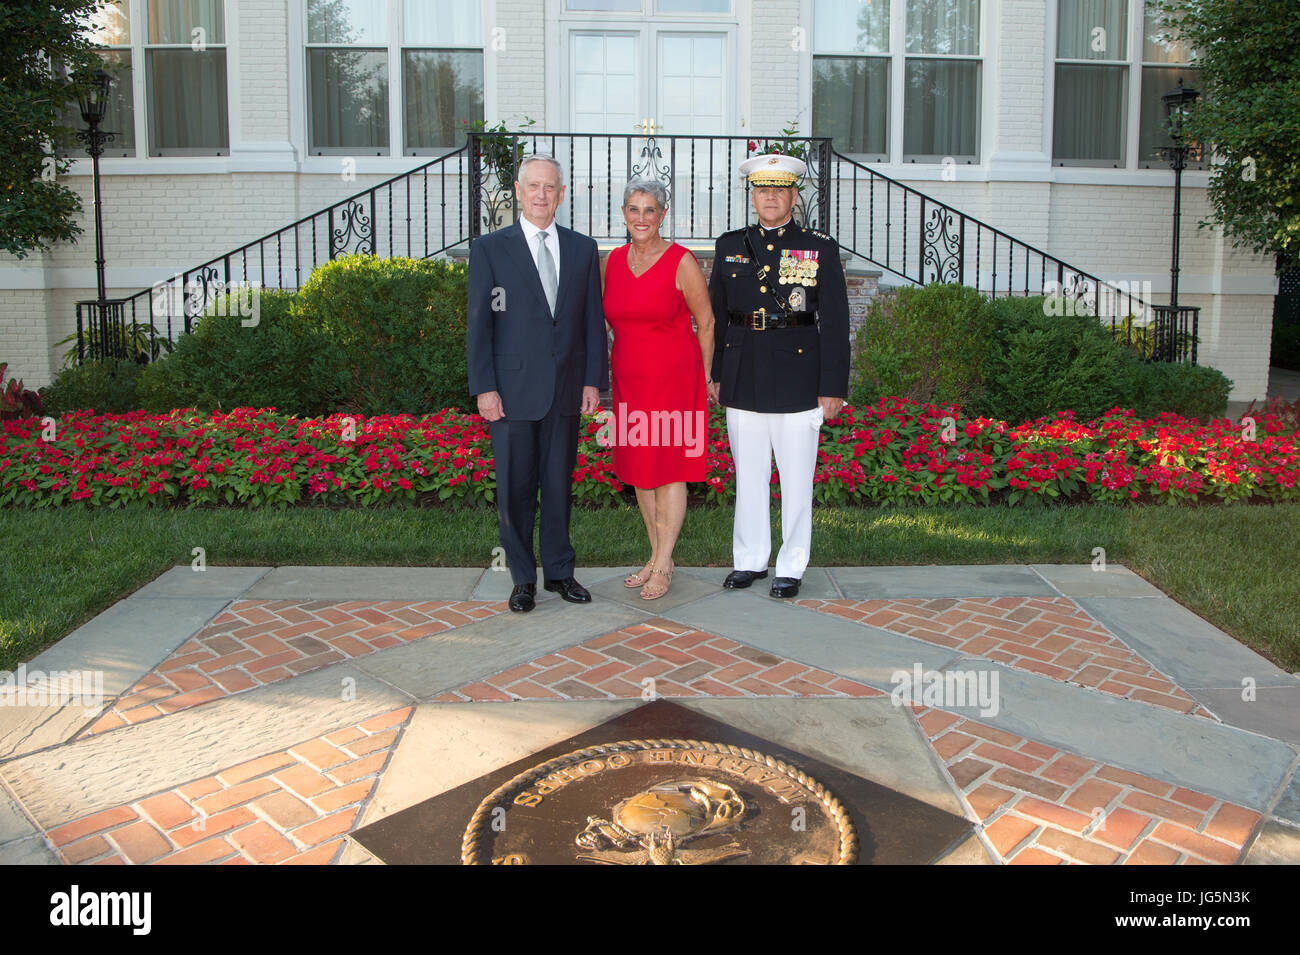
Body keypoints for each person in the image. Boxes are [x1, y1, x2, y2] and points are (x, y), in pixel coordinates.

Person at [466, 154, 608, 613]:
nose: (542, 194)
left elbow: (591, 322)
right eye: (534, 186)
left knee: (558, 485)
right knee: (515, 488)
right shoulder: (490, 249)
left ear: (561, 194)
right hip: (509, 393)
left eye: (550, 187)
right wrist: (484, 386)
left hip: (566, 389)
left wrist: (592, 382)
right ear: (518, 190)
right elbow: (479, 324)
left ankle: (561, 573)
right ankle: (523, 579)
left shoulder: (582, 249)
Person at [707, 153, 849, 599]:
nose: (770, 196)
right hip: (743, 370)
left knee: (795, 477)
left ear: (793, 194)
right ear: (752, 196)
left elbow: (837, 321)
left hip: (798, 375)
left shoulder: (818, 247)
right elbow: (715, 316)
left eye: (779, 188)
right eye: (762, 188)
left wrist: (832, 386)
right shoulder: (730, 245)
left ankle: (791, 564)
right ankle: (749, 560)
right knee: (748, 475)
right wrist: (715, 374)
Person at [601, 179, 716, 600]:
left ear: (663, 215)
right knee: (641, 473)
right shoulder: (611, 261)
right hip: (630, 382)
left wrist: (706, 378)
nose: (641, 218)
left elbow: (706, 323)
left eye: (650, 210)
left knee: (668, 471)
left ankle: (665, 561)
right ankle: (653, 554)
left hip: (674, 381)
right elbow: (610, 321)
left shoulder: (681, 261)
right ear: (624, 213)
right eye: (634, 209)